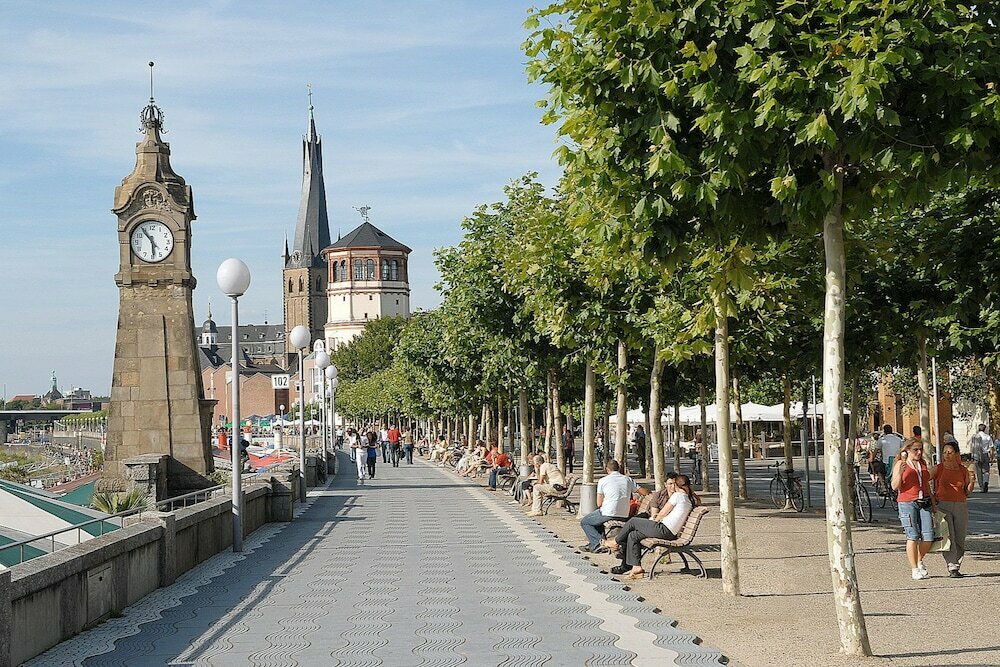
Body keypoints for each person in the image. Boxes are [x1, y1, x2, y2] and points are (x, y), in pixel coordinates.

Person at [601, 474, 697, 579]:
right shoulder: (688, 499)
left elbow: (662, 513)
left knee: (633, 521)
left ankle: (615, 542)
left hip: (664, 529)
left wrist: (653, 519)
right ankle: (636, 568)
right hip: (668, 531)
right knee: (634, 535)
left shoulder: (677, 496)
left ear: (677, 486)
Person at [891, 438, 936, 580]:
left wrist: (933, 502)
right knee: (913, 536)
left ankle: (918, 560)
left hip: (924, 501)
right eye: (915, 449)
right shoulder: (901, 463)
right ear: (907, 450)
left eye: (921, 449)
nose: (919, 452)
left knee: (928, 537)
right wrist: (900, 472)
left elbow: (926, 484)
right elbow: (895, 486)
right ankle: (914, 568)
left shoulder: (922, 463)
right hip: (907, 502)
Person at [934, 441, 974, 577]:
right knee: (948, 535)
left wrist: (972, 481)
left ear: (956, 454)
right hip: (943, 505)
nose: (947, 455)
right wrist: (933, 499)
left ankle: (957, 562)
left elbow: (968, 491)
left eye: (950, 452)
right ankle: (952, 566)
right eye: (944, 452)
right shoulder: (938, 468)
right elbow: (926, 479)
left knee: (960, 536)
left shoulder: (963, 470)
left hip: (960, 504)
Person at [579, 459, 636, 552]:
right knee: (596, 520)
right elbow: (642, 490)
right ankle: (594, 543)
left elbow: (599, 504)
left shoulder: (603, 480)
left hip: (608, 512)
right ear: (619, 468)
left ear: (607, 469)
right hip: (625, 514)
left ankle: (599, 543)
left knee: (585, 522)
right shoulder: (628, 479)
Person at [527, 452, 567, 517]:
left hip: (558, 488)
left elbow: (540, 481)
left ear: (537, 463)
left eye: (534, 463)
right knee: (537, 487)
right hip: (559, 487)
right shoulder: (546, 465)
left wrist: (537, 471)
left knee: (536, 487)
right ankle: (535, 510)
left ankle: (537, 510)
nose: (534, 465)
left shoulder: (543, 466)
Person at [970, 424, 993, 493]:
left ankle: (981, 487)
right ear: (985, 429)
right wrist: (991, 457)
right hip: (985, 454)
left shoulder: (974, 437)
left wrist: (972, 455)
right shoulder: (987, 437)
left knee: (979, 472)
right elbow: (991, 448)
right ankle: (986, 482)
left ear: (978, 429)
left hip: (977, 455)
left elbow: (972, 446)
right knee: (986, 470)